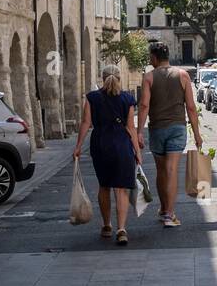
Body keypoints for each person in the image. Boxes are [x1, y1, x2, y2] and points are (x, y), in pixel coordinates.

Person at [136, 41, 202, 227]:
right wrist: (197, 134)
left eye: (150, 57)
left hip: (157, 128)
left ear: (155, 58)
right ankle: (169, 214)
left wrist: (139, 131)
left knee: (161, 171)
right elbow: (190, 106)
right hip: (177, 128)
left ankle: (165, 208)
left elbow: (144, 106)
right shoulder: (183, 75)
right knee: (172, 170)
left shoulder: (148, 77)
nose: (150, 60)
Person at [72, 64, 141, 245]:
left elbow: (86, 123)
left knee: (104, 186)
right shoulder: (127, 98)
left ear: (102, 78)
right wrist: (138, 151)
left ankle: (106, 225)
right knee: (121, 188)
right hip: (121, 144)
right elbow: (130, 128)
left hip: (100, 144)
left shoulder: (92, 97)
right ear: (120, 78)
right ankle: (122, 228)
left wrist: (78, 146)